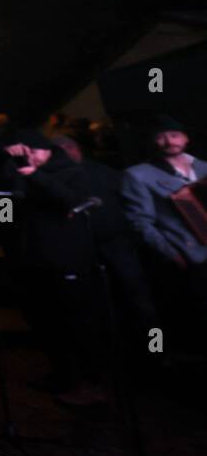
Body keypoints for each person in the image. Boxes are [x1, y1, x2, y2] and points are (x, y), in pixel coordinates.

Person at [0, 131, 104, 405]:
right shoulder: (21, 172)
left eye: (33, 151)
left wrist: (34, 174)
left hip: (66, 258)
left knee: (75, 322)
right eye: (25, 152)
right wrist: (11, 163)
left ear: (47, 151)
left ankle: (88, 382)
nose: (29, 156)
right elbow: (9, 202)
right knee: (45, 322)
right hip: (34, 258)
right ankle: (62, 375)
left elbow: (67, 199)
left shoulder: (69, 171)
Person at [55, 135, 159, 361]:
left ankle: (156, 350)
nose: (66, 152)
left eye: (69, 146)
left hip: (118, 242)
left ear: (77, 148)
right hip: (82, 248)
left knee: (139, 298)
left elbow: (130, 202)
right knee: (97, 303)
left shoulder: (104, 172)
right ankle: (112, 354)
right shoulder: (56, 178)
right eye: (60, 149)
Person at [121, 116, 207, 330]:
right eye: (161, 137)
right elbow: (140, 222)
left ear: (185, 138)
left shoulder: (204, 167)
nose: (169, 141)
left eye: (174, 135)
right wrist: (172, 253)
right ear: (153, 141)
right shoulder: (138, 175)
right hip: (190, 255)